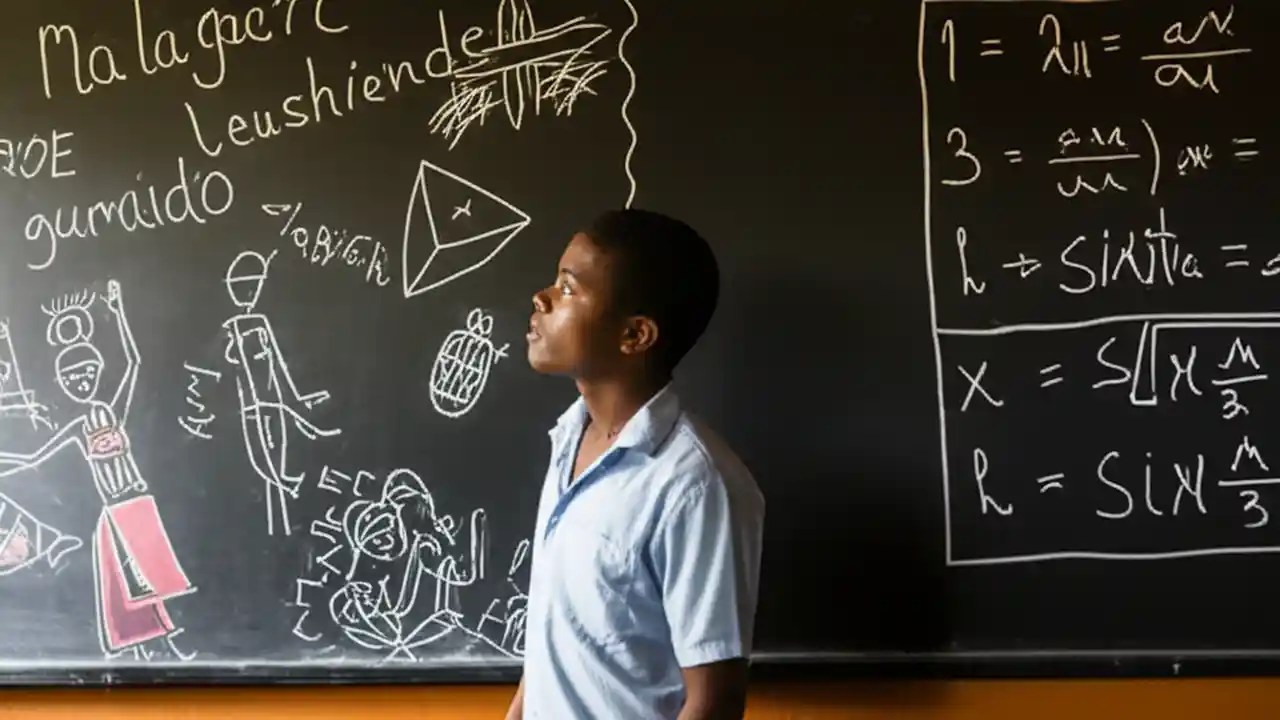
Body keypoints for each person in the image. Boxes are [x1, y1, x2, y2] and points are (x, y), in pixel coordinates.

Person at [508, 209, 766, 719]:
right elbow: (554, 643)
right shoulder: (568, 440)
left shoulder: (694, 484)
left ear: (635, 336)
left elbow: (713, 702)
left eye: (568, 288)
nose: (541, 298)